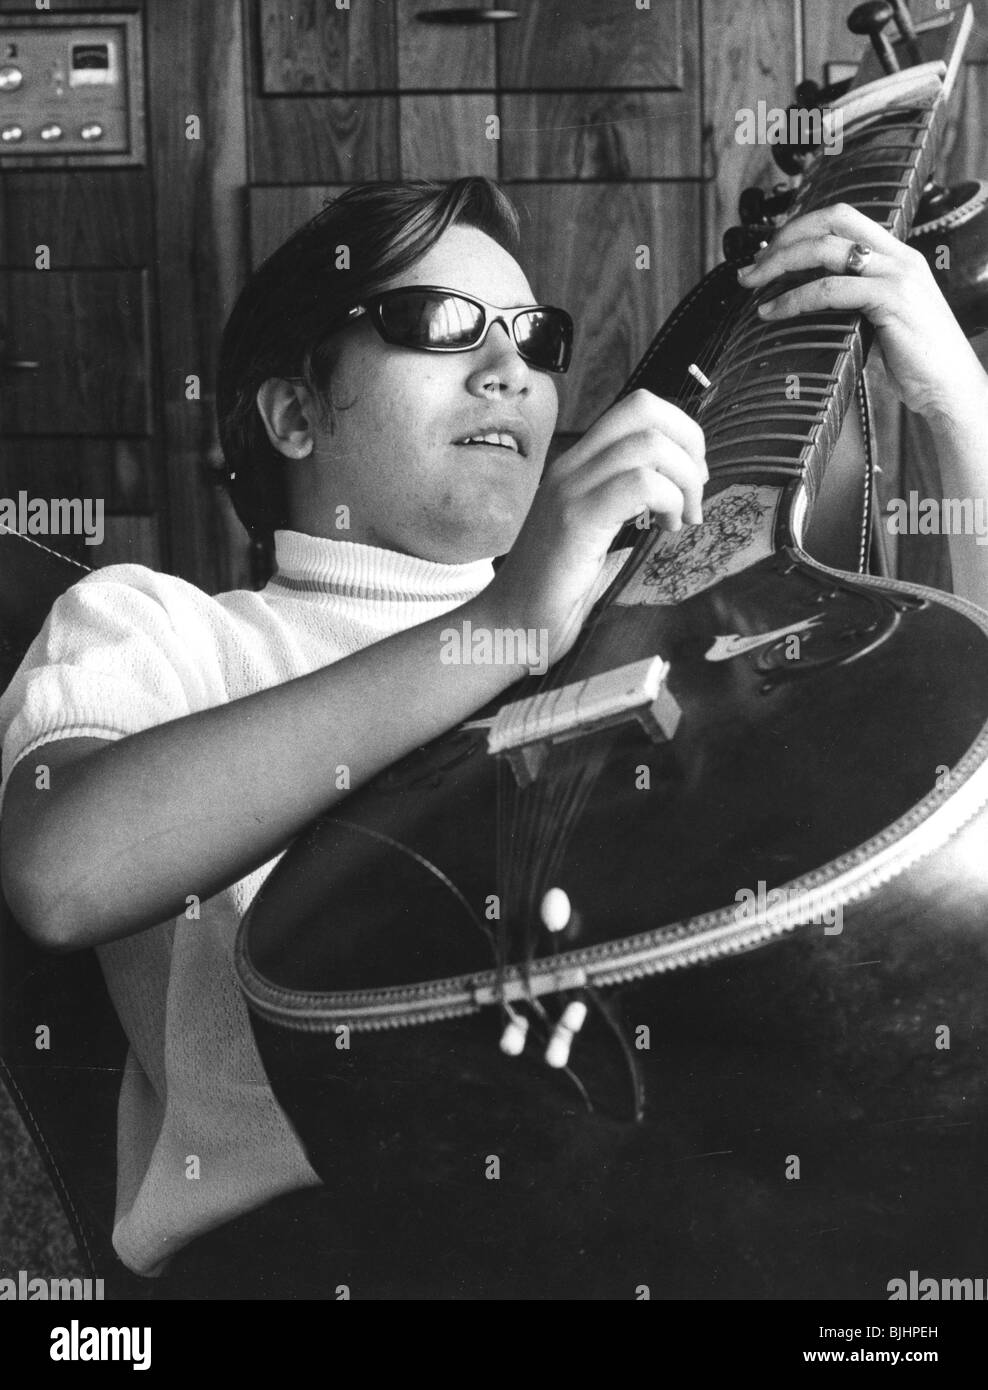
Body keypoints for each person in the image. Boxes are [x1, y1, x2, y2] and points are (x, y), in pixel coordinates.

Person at [1, 177, 986, 1299]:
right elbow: (61, 873)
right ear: (291, 412)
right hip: (326, 1256)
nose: (509, 369)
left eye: (535, 337)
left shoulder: (642, 622)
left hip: (684, 1221)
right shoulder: (162, 627)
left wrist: (957, 405)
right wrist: (502, 623)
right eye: (438, 326)